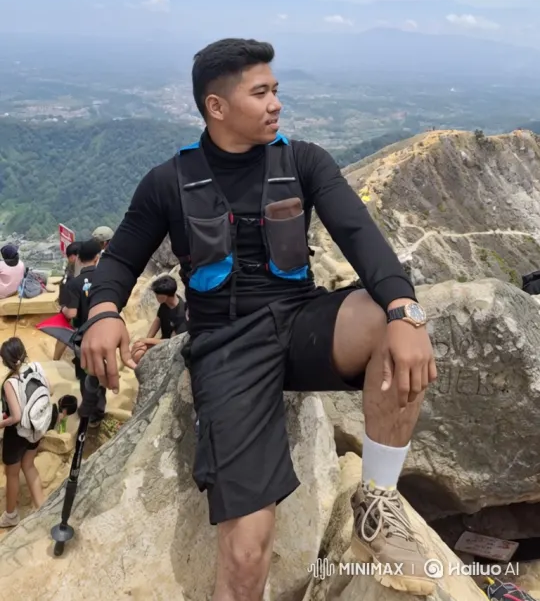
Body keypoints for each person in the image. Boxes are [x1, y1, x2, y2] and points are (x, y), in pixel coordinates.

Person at [81, 38, 438, 600]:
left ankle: (378, 501)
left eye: (276, 90)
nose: (276, 103)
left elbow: (360, 236)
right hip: (226, 345)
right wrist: (102, 312)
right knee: (247, 553)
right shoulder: (169, 181)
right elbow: (122, 257)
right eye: (262, 92)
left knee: (385, 319)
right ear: (216, 106)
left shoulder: (303, 161)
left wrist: (405, 311)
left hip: (301, 322)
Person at [0, 337, 47, 527]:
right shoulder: (36, 367)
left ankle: (10, 515)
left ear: (6, 361)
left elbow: (17, 416)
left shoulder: (9, 382)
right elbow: (48, 390)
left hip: (18, 434)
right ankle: (42, 507)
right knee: (28, 464)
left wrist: (2, 424)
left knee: (11, 473)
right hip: (37, 427)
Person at [61, 238, 106, 428]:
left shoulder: (74, 283)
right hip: (103, 333)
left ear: (79, 258)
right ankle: (99, 411)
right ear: (97, 258)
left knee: (85, 374)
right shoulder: (106, 278)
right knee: (100, 370)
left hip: (83, 336)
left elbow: (71, 313)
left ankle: (88, 412)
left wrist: (63, 308)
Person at [131, 275, 188, 364]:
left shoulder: (181, 314)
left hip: (171, 349)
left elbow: (172, 342)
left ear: (164, 296)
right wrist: (147, 339)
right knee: (138, 346)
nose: (156, 296)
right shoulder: (165, 304)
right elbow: (158, 320)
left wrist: (147, 341)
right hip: (162, 341)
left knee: (139, 353)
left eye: (157, 294)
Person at [55, 241, 82, 361]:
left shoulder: (72, 270)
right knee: (65, 334)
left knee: (63, 334)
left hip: (70, 306)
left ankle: (55, 360)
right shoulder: (75, 270)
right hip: (73, 306)